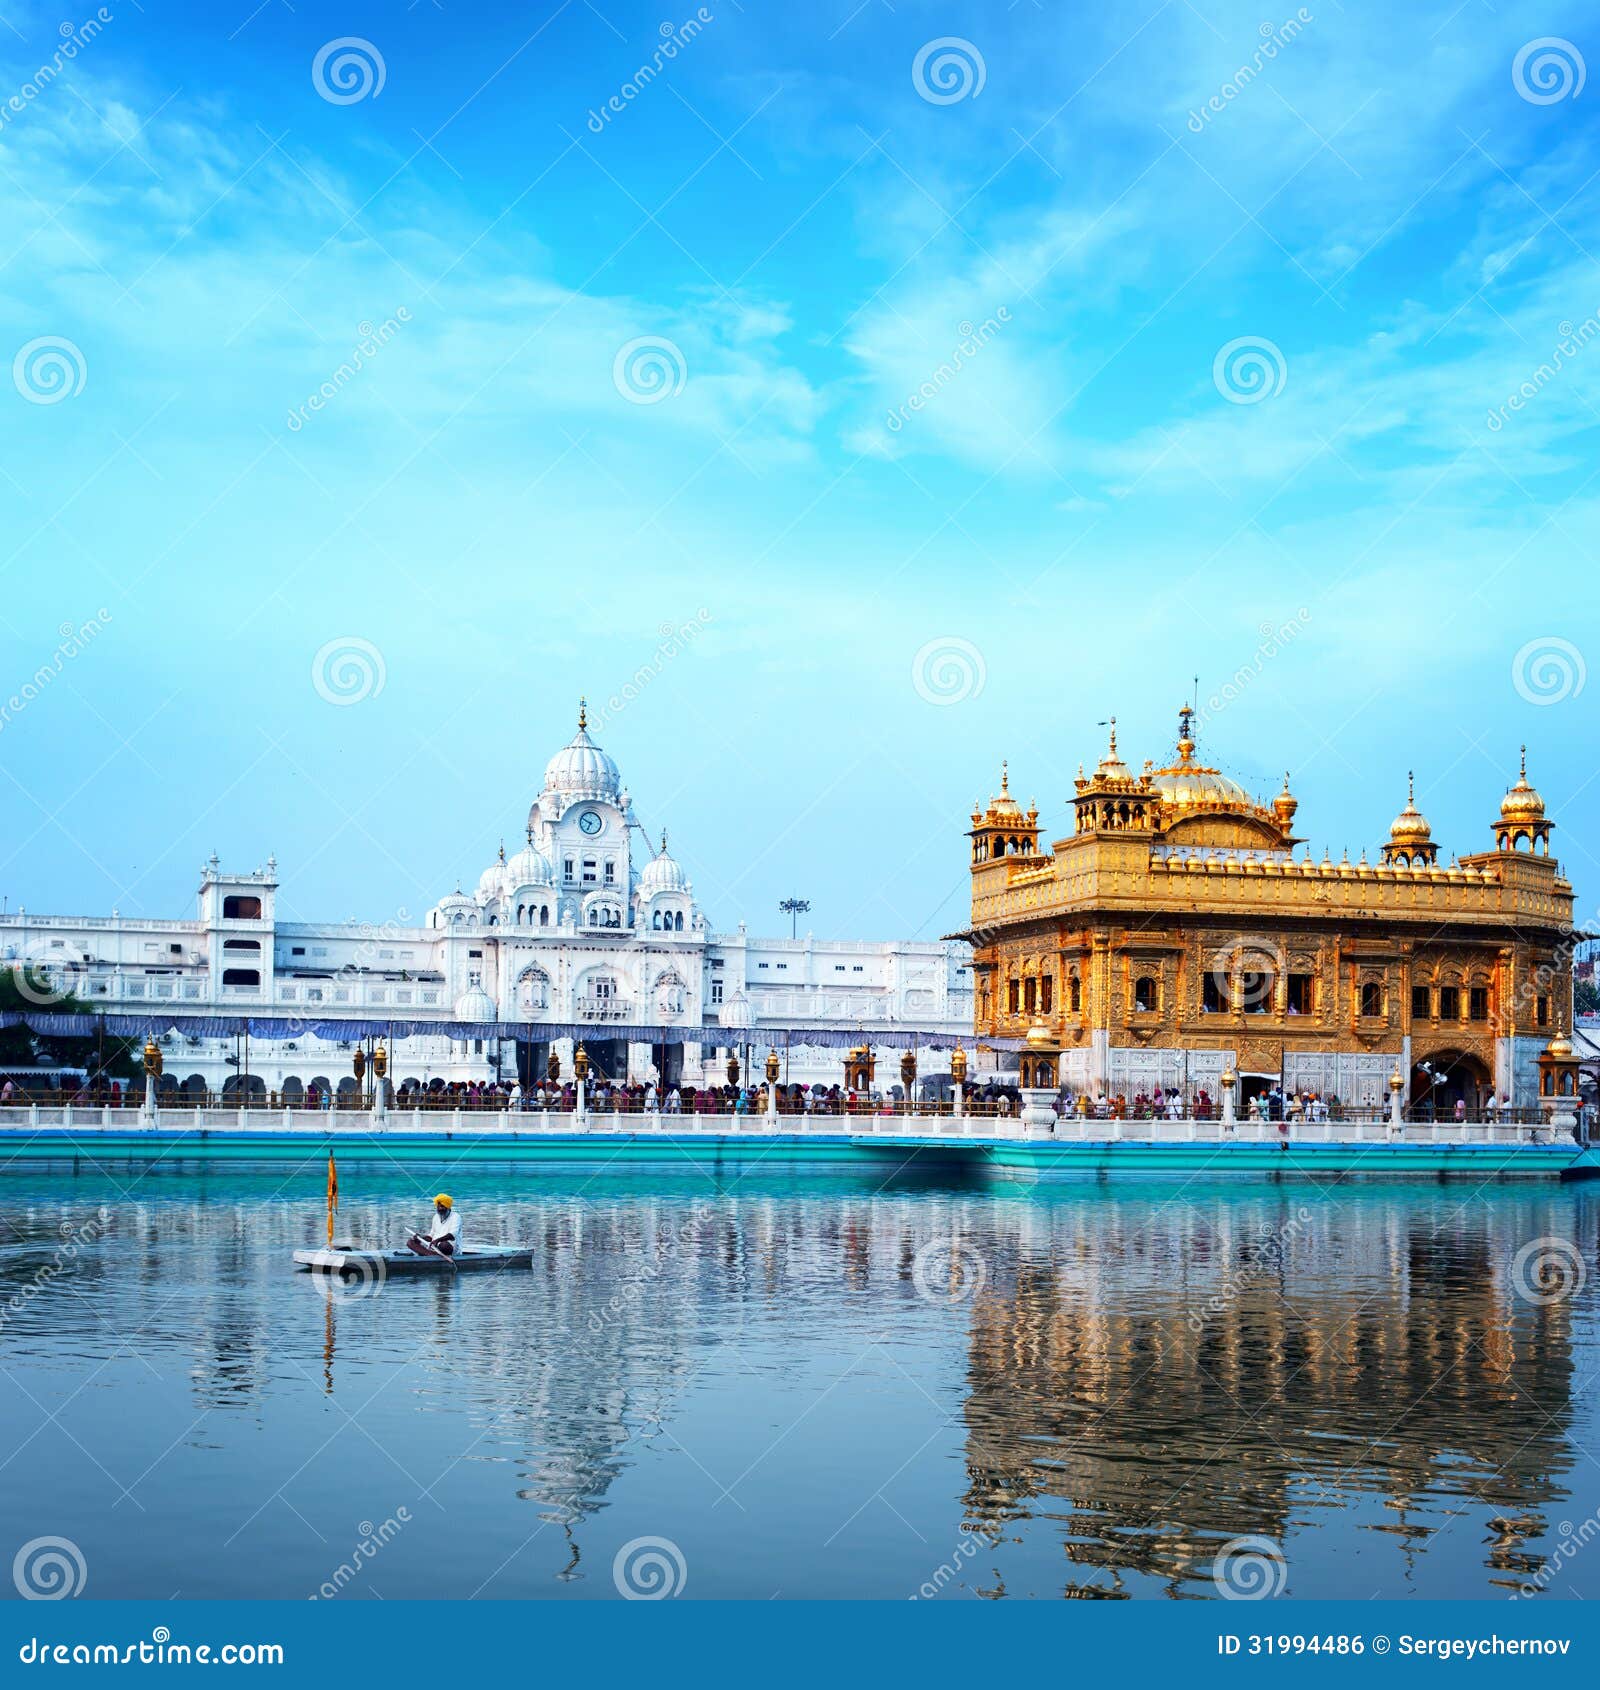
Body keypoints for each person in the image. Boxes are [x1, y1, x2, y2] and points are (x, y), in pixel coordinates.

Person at [407, 1193, 460, 1258]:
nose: (440, 1209)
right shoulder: (435, 1217)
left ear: (448, 1207)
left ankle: (426, 1254)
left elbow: (452, 1235)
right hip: (434, 1247)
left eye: (442, 1206)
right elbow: (431, 1236)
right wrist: (420, 1238)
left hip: (449, 1248)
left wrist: (437, 1240)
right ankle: (432, 1255)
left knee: (444, 1245)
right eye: (438, 1206)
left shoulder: (456, 1216)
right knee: (410, 1242)